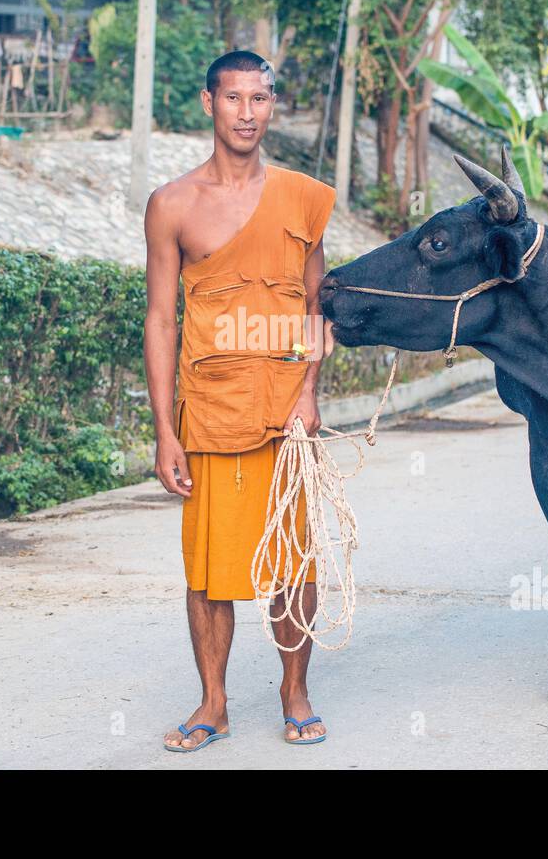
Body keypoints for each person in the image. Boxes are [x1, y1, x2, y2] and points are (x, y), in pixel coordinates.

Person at [143, 50, 336, 753]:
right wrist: (165, 428)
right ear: (208, 103)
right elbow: (161, 318)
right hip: (211, 412)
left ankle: (295, 691)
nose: (248, 112)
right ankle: (213, 702)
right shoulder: (172, 205)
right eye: (234, 98)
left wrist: (311, 391)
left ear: (271, 106)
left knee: (294, 565)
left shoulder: (304, 198)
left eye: (260, 98)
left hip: (286, 416)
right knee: (209, 569)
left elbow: (317, 302)